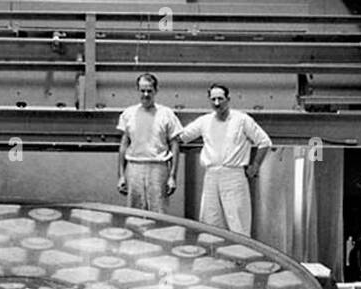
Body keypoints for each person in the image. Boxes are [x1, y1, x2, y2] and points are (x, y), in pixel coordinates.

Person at [177, 84, 272, 235]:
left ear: (228, 99)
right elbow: (181, 137)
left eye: (220, 99)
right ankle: (213, 258)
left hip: (233, 175)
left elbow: (264, 142)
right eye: (213, 99)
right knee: (210, 221)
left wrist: (255, 166)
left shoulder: (242, 120)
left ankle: (240, 258)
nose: (217, 103)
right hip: (211, 175)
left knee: (237, 222)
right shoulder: (204, 121)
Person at [116, 73, 183, 213]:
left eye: (149, 90)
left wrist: (172, 177)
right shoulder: (128, 114)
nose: (146, 94)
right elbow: (123, 145)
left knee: (158, 212)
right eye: (142, 90)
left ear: (156, 90)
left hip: (158, 168)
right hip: (134, 167)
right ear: (138, 90)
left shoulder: (166, 114)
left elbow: (175, 146)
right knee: (134, 213)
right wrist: (121, 175)